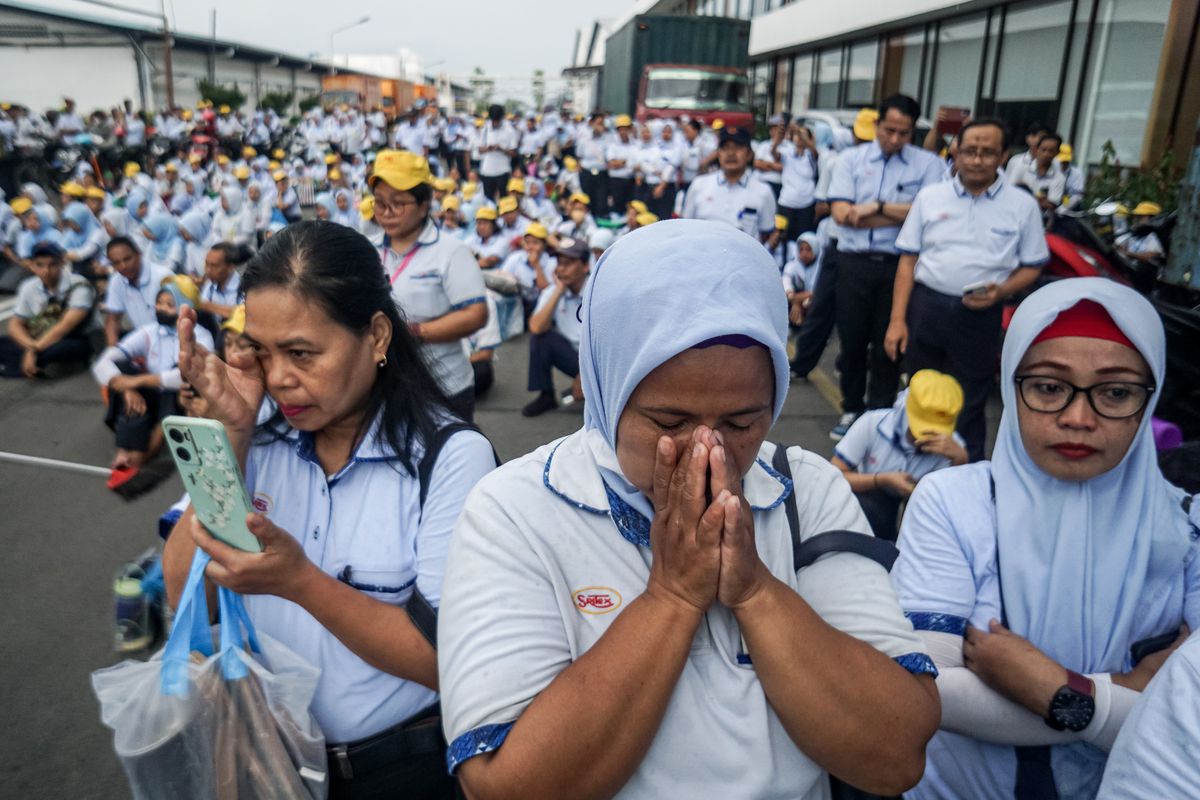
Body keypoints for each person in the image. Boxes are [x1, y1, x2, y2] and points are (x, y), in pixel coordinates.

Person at [438, 219, 939, 799]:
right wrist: (671, 598)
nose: (708, 450)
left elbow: (896, 752)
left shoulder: (805, 489)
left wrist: (755, 591)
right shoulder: (514, 510)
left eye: (743, 421)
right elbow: (505, 786)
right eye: (670, 422)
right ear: (605, 389)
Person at [163, 221, 497, 799]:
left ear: (376, 336)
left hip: (399, 769)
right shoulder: (255, 439)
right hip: (267, 757)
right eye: (262, 353)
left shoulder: (450, 459)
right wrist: (230, 439)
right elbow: (185, 592)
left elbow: (443, 658)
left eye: (301, 353)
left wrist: (300, 582)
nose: (280, 378)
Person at [891, 278, 1199, 799]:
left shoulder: (1189, 531)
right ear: (1012, 386)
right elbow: (923, 692)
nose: (1078, 418)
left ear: (1149, 400)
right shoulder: (953, 502)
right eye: (1049, 387)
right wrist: (1125, 696)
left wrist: (1055, 688)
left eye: (1116, 392)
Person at [886, 118, 1049, 461]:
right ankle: (914, 469)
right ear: (955, 151)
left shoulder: (1022, 206)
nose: (977, 160)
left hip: (979, 313)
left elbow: (1033, 265)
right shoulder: (930, 197)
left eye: (988, 152)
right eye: (970, 150)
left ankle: (966, 472)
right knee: (920, 391)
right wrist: (897, 321)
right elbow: (907, 262)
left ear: (1004, 155)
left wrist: (1002, 291)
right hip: (926, 307)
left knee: (970, 398)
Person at [826, 94, 944, 442]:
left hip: (900, 266)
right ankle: (851, 408)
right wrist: (900, 211)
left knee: (889, 344)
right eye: (889, 130)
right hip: (853, 264)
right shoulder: (849, 161)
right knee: (851, 339)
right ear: (876, 125)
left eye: (903, 133)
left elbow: (928, 215)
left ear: (913, 133)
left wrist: (873, 207)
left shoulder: (929, 165)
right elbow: (842, 215)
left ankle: (879, 415)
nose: (894, 139)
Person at [369, 150, 487, 421]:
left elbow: (474, 314)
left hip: (443, 386)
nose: (386, 213)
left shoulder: (451, 252)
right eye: (380, 203)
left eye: (397, 204)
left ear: (424, 204)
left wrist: (412, 333)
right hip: (384, 386)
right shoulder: (368, 250)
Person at [93, 276, 213, 477]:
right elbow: (103, 363)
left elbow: (182, 378)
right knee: (120, 369)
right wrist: (127, 387)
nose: (160, 308)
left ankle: (145, 453)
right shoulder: (149, 331)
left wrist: (134, 381)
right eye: (159, 302)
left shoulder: (201, 336)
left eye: (169, 304)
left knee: (182, 379)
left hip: (177, 399)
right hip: (150, 394)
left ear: (185, 307)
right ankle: (125, 449)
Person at [832, 370, 967, 541]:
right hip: (874, 498)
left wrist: (960, 460)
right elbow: (835, 476)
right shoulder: (872, 423)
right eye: (924, 425)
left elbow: (956, 505)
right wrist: (882, 480)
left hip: (922, 508)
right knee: (867, 508)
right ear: (905, 407)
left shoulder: (953, 448)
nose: (930, 434)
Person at [0, 241, 95, 378]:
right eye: (40, 265)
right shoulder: (29, 286)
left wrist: (34, 350)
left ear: (62, 263)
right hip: (38, 336)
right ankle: (36, 366)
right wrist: (31, 347)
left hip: (73, 336)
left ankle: (21, 366)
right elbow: (15, 324)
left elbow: (66, 326)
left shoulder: (79, 285)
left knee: (59, 349)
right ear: (32, 265)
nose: (46, 271)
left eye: (52, 265)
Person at [520, 235, 590, 417]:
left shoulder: (597, 290)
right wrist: (559, 291)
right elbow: (535, 327)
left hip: (600, 361)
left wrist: (587, 374)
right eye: (559, 262)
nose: (561, 268)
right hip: (573, 356)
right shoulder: (554, 290)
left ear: (585, 266)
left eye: (568, 263)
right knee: (541, 338)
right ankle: (546, 395)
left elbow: (610, 343)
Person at [681, 126, 776, 240]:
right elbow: (685, 227)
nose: (731, 153)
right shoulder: (699, 185)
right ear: (718, 154)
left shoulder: (763, 191)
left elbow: (766, 233)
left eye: (738, 147)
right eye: (725, 148)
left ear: (749, 155)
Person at [103, 236, 174, 347]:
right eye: (116, 263)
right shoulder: (116, 281)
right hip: (143, 343)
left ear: (138, 254)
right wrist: (113, 352)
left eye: (127, 259)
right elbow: (112, 321)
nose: (123, 266)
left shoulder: (163, 276)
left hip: (171, 340)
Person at [776, 123, 820, 235]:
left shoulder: (811, 154)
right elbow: (774, 153)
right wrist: (778, 138)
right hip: (786, 203)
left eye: (803, 135)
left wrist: (800, 132)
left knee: (802, 237)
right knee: (781, 237)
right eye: (797, 134)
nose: (799, 137)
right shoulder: (787, 152)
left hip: (805, 206)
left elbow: (815, 152)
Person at [478, 105, 518, 202]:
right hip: (487, 171)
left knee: (504, 200)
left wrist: (501, 149)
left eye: (497, 120)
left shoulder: (510, 131)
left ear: (502, 118)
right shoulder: (485, 129)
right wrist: (488, 148)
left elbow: (514, 154)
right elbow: (480, 149)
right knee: (488, 200)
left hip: (503, 171)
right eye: (493, 120)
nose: (494, 123)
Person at [198, 242, 242, 321]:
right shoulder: (210, 285)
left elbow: (244, 314)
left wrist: (207, 306)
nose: (208, 271)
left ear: (230, 267)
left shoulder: (244, 287)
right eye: (206, 264)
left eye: (214, 266)